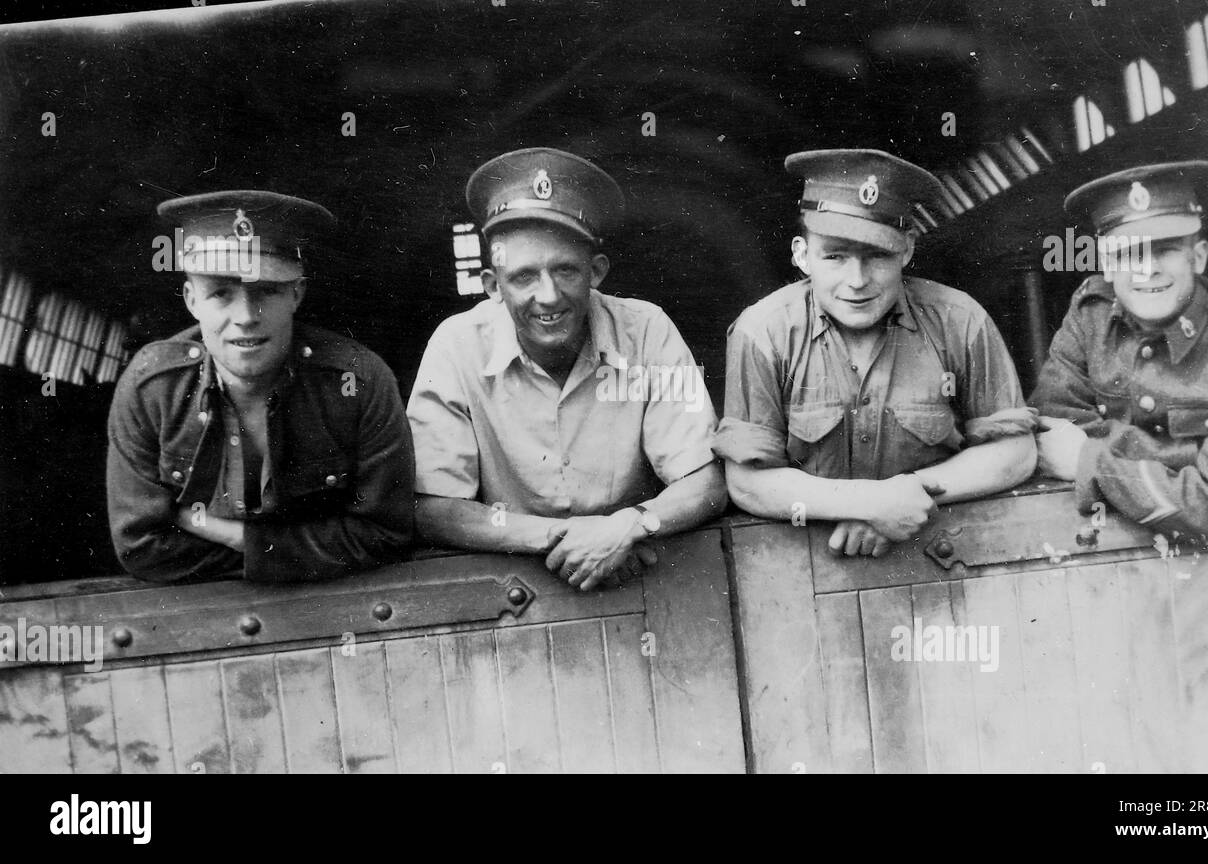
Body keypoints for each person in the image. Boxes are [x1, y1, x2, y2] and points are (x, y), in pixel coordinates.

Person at [407, 148, 726, 591]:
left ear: (596, 271)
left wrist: (630, 526)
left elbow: (706, 481)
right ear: (492, 286)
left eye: (565, 271)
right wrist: (576, 539)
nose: (549, 295)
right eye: (523, 277)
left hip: (648, 585)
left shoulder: (646, 329)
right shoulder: (456, 345)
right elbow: (435, 508)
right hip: (517, 593)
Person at [715, 149, 1037, 557]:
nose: (857, 281)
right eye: (834, 256)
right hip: (805, 571)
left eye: (878, 256)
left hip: (946, 556)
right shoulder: (763, 332)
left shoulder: (960, 321)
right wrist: (871, 504)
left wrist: (908, 497)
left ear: (906, 249)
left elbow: (1017, 452)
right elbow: (746, 481)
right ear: (801, 254)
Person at [107, 190, 415, 582]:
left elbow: (385, 533)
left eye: (266, 291)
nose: (246, 317)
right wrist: (296, 552)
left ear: (296, 294)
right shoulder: (150, 389)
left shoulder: (360, 382)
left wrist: (234, 536)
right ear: (191, 300)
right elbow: (141, 548)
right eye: (221, 293)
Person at [1030, 161, 1208, 537]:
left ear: (1198, 257)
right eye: (1128, 252)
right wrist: (1188, 459)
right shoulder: (1090, 315)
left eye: (1165, 249)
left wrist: (1092, 461)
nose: (1146, 269)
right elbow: (1052, 432)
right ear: (1107, 264)